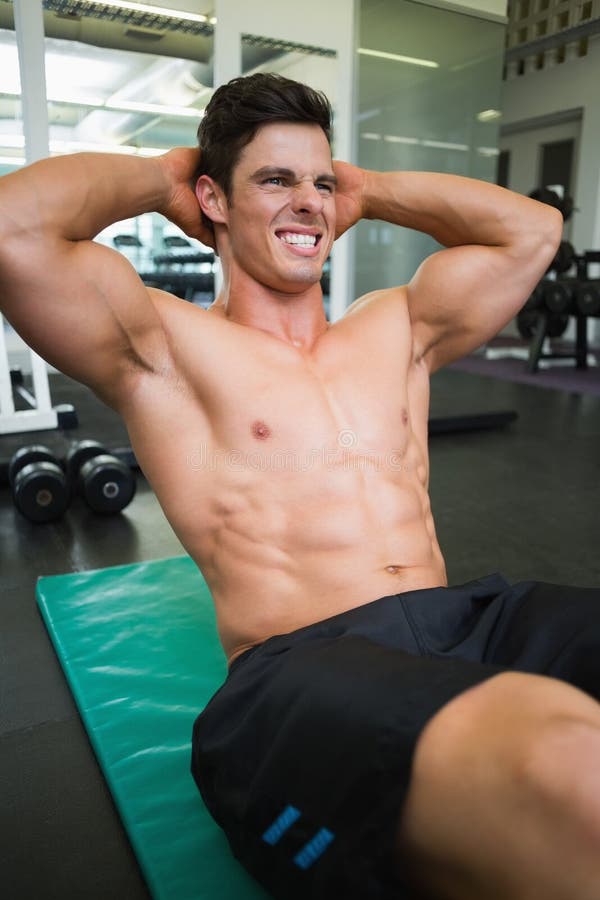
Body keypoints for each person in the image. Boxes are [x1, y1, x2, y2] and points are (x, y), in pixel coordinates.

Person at [0, 72, 598, 900]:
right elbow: (14, 229)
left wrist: (370, 190)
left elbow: (531, 231)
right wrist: (166, 178)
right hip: (301, 674)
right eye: (275, 179)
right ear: (213, 198)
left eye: (320, 180)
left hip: (468, 624)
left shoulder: (399, 325)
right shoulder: (164, 346)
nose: (309, 201)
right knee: (569, 766)